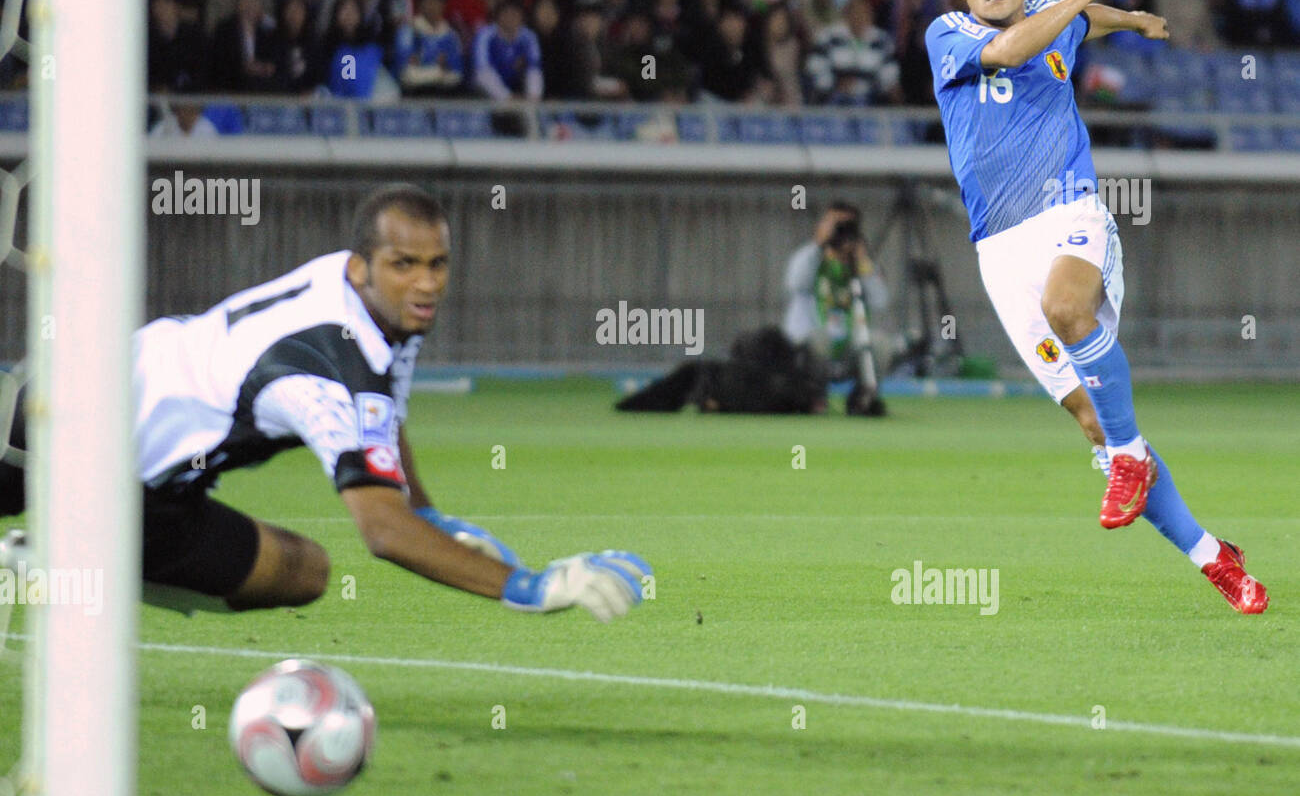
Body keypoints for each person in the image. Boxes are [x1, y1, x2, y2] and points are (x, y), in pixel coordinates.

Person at [0, 185, 650, 623]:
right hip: (80, 431)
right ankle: (66, 558)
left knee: (302, 571)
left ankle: (69, 556)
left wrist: (429, 510)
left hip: (135, 455)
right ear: (364, 267)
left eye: (438, 263)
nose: (426, 283)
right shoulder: (321, 371)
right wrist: (527, 586)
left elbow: (386, 419)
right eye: (405, 264)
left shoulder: (378, 302)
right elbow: (383, 531)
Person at [923, 0, 1267, 613]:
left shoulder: (1058, 11)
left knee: (1069, 308)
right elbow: (1019, 48)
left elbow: (1082, 21)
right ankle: (1212, 554)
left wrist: (1132, 18)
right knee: (1091, 423)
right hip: (998, 247)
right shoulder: (947, 34)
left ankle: (1131, 452)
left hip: (1070, 210)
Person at [783, 203, 888, 416]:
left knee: (880, 344)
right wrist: (819, 245)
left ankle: (862, 399)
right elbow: (795, 283)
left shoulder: (861, 263)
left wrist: (862, 262)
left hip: (849, 344)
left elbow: (880, 301)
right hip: (812, 344)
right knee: (820, 339)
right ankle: (813, 397)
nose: (841, 230)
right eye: (835, 224)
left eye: (848, 225)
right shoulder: (809, 257)